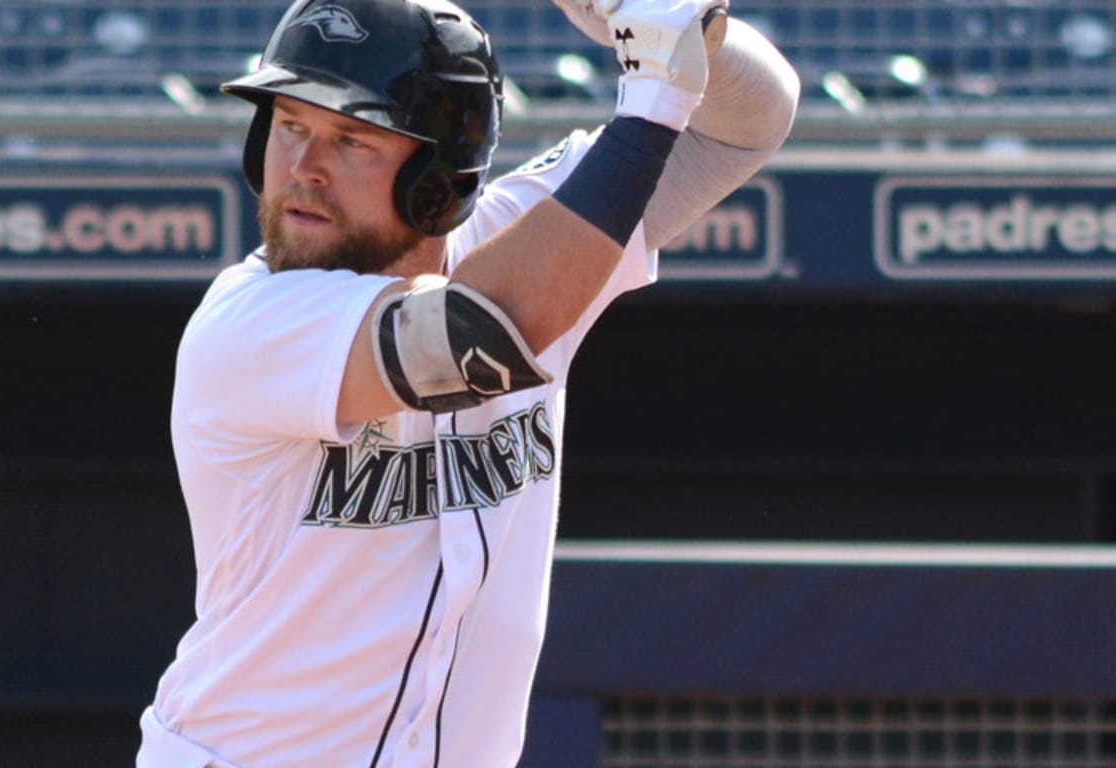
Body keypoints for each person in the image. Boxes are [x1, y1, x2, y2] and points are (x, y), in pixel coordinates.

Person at [138, 0, 798, 765]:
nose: (303, 168)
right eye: (290, 124)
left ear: (440, 171)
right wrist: (653, 92)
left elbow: (751, 119)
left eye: (350, 137)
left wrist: (672, 22)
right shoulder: (248, 324)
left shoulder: (535, 243)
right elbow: (473, 333)